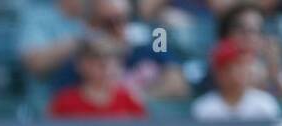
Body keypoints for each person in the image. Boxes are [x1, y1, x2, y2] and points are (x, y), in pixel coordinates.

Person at [50, 0, 190, 98]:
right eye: (108, 22)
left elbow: (179, 85)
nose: (118, 28)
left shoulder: (152, 44)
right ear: (92, 24)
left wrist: (134, 97)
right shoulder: (81, 60)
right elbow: (66, 101)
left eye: (122, 19)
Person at [48, 33, 149, 117]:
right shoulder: (64, 102)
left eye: (112, 62)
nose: (106, 68)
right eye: (97, 62)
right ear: (80, 65)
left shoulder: (130, 99)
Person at [216, 2, 282, 99]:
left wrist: (275, 70)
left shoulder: (270, 64)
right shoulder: (220, 66)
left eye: (256, 30)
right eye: (242, 30)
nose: (249, 37)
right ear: (227, 34)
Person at [192, 37, 281, 118]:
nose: (238, 73)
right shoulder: (204, 108)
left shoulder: (265, 104)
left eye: (242, 66)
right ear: (218, 73)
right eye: (229, 68)